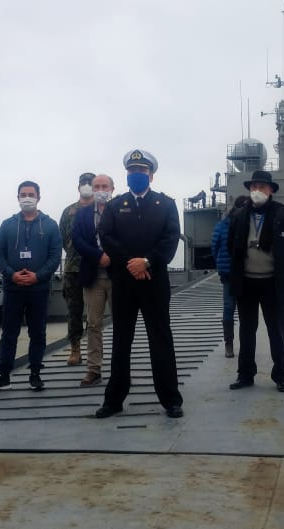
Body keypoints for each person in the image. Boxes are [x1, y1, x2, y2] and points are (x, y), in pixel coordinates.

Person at [94, 149, 184, 419]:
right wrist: (131, 263)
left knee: (161, 339)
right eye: (132, 171)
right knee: (121, 339)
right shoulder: (114, 205)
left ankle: (171, 399)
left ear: (151, 175)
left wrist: (146, 262)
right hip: (124, 281)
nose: (136, 175)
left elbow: (170, 239)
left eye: (142, 171)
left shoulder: (166, 205)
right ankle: (113, 400)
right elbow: (106, 235)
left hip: (154, 280)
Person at [226, 171, 284, 392]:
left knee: (276, 331)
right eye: (254, 186)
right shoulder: (239, 215)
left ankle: (281, 376)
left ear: (271, 190)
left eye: (263, 187)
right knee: (246, 331)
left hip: (272, 283)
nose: (258, 191)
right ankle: (245, 375)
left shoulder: (282, 214)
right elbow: (230, 245)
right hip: (247, 282)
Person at [0, 181, 62, 392]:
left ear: (39, 197)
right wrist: (12, 274)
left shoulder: (49, 225)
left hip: (38, 289)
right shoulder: (8, 225)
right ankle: (3, 375)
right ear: (17, 197)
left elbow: (55, 256)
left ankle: (35, 373)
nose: (27, 197)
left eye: (31, 194)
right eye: (23, 194)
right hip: (13, 289)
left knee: (37, 333)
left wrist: (38, 276)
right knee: (9, 332)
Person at [71, 174, 116, 386]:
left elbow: (130, 237)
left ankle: (120, 369)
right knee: (94, 324)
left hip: (118, 276)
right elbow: (77, 240)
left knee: (122, 325)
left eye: (104, 186)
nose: (99, 189)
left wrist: (111, 256)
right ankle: (94, 369)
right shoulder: (82, 214)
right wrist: (98, 256)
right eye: (96, 186)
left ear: (112, 188)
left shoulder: (121, 210)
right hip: (93, 277)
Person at [59, 172, 96, 366]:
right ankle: (75, 349)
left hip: (96, 268)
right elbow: (63, 239)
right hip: (73, 268)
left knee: (94, 313)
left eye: (91, 183)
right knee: (74, 312)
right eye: (84, 183)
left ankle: (93, 350)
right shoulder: (68, 212)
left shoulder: (102, 208)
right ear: (78, 186)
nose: (87, 186)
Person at [211, 195, 249, 358]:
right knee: (234, 308)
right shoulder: (228, 224)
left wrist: (220, 263)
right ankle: (230, 343)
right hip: (232, 272)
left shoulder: (223, 224)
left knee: (232, 307)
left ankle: (233, 345)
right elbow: (215, 246)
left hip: (243, 272)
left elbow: (214, 247)